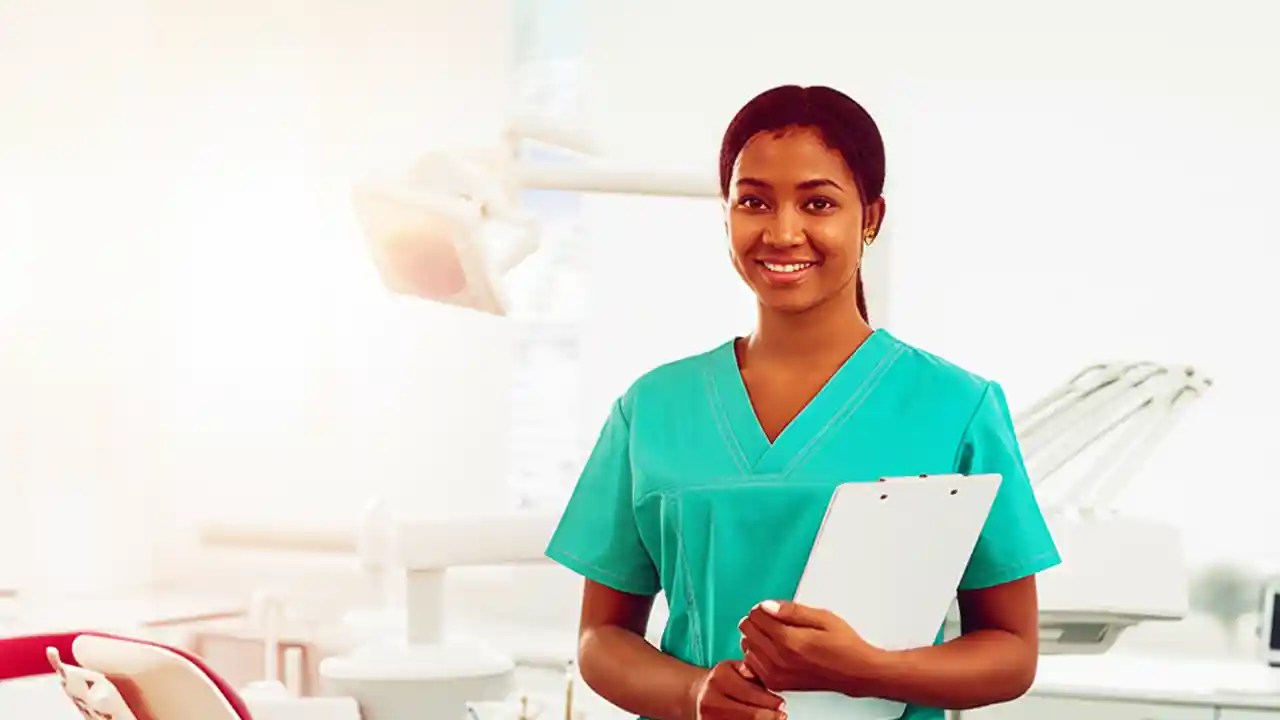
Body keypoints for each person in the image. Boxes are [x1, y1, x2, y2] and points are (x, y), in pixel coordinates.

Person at [543, 85, 1061, 720]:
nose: (783, 232)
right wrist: (693, 693)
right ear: (726, 213)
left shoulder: (958, 407)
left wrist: (867, 670)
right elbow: (601, 639)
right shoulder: (651, 409)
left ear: (870, 217)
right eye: (754, 201)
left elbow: (1012, 651)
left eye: (818, 203)